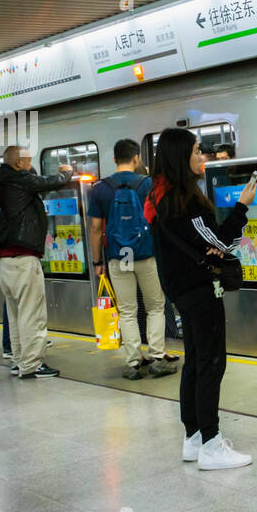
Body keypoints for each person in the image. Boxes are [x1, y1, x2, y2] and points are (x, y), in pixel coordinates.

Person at [147, 126, 254, 470]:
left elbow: (211, 243)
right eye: (196, 151)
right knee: (211, 363)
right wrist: (241, 207)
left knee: (194, 361)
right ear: (182, 157)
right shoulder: (187, 201)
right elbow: (221, 243)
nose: (202, 157)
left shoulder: (158, 197)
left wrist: (216, 244)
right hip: (200, 288)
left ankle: (193, 438)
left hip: (179, 290)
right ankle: (211, 443)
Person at [88, 138, 177, 381]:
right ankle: (157, 357)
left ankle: (134, 362)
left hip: (118, 258)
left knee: (127, 311)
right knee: (155, 307)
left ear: (115, 159)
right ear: (137, 157)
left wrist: (97, 262)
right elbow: (162, 220)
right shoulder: (148, 184)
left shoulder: (100, 188)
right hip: (147, 255)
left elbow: (95, 229)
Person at [0, 145, 72, 378]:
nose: (31, 166)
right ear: (19, 163)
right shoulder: (19, 178)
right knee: (32, 313)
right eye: (29, 162)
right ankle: (32, 364)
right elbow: (50, 182)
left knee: (15, 312)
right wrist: (66, 172)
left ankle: (19, 360)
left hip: (2, 259)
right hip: (22, 257)